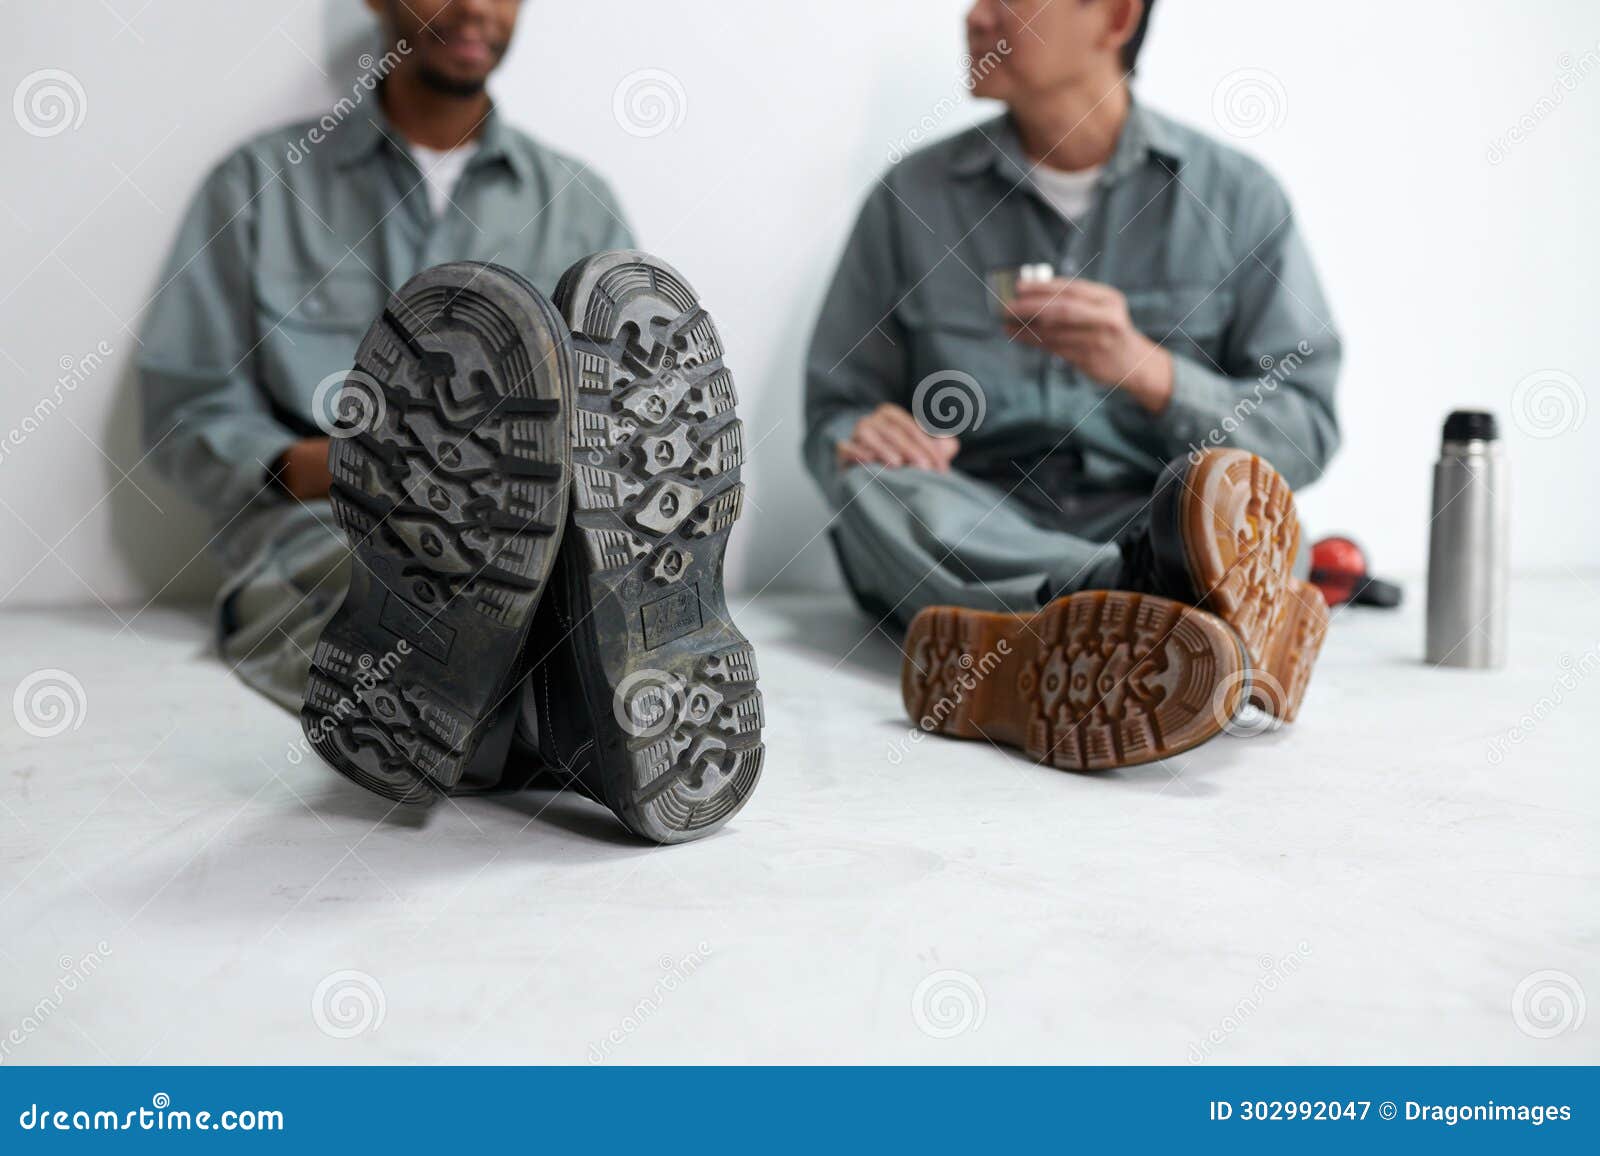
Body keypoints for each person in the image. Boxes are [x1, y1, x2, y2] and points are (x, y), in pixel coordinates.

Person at [137, 0, 632, 714]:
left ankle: (530, 700)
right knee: (385, 595)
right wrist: (328, 467)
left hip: (535, 535)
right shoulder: (260, 186)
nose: (476, 7)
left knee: (564, 589)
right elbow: (185, 402)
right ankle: (549, 712)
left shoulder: (580, 205)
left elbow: (620, 417)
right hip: (326, 527)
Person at [803, 0, 1341, 629]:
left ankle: (1053, 623)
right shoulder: (910, 197)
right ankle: (1135, 605)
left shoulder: (1240, 199)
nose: (976, 17)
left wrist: (1149, 371)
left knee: (1255, 528)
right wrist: (864, 434)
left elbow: (1303, 435)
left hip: (1147, 518)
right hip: (975, 521)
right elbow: (834, 413)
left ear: (1115, 18)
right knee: (873, 490)